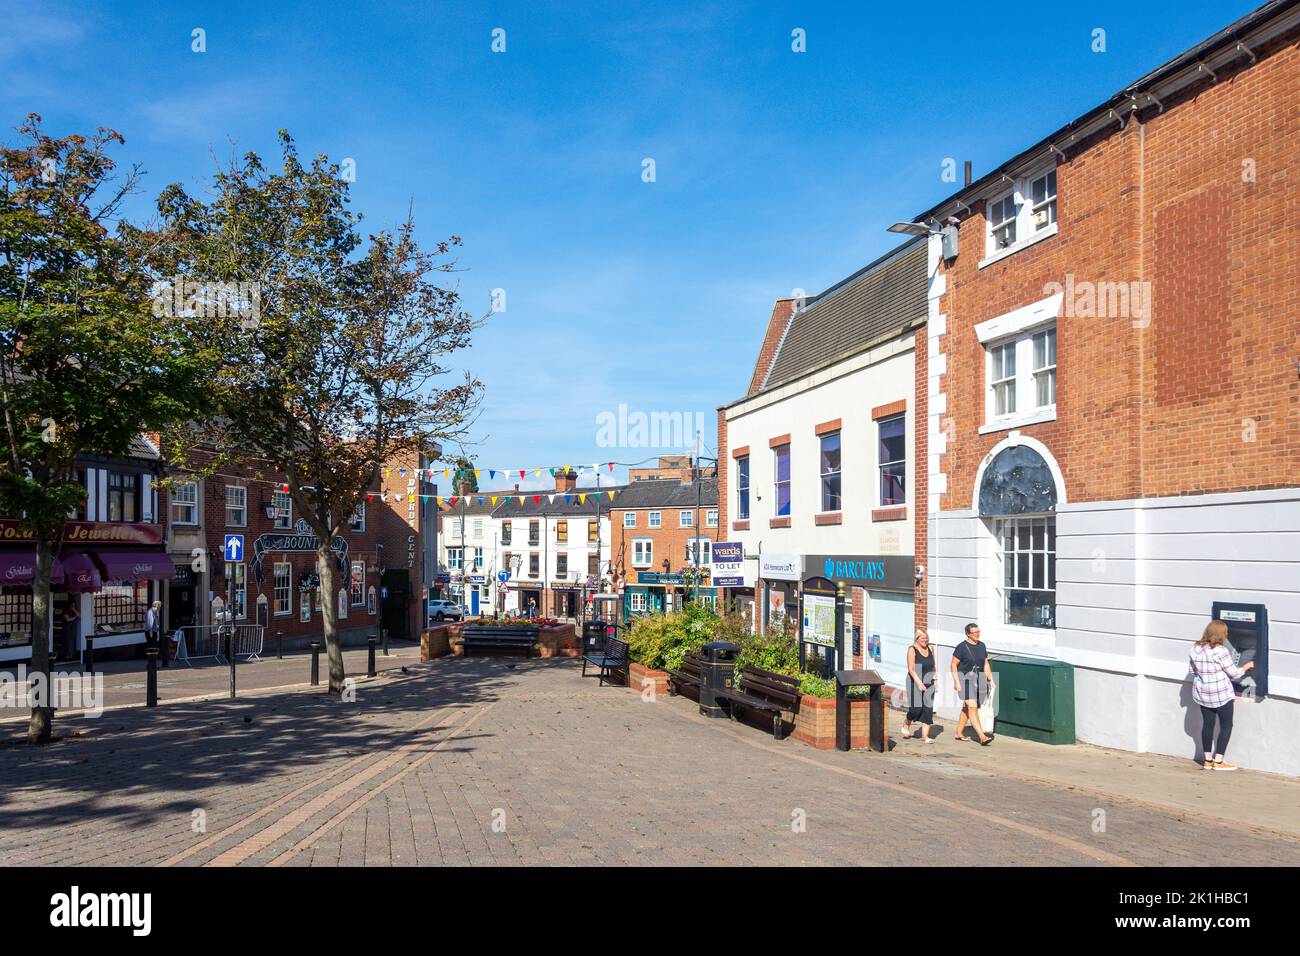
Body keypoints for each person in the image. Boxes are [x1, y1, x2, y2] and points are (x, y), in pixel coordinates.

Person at [1189, 619, 1253, 771]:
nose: (1227, 635)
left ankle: (1207, 761)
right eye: (1225, 632)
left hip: (1203, 693)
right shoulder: (1221, 651)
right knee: (1226, 726)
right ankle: (1219, 762)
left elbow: (1192, 671)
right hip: (1221, 694)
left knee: (1208, 725)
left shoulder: (1195, 648)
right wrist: (1247, 666)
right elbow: (1234, 673)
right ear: (1221, 634)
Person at [951, 622, 994, 745]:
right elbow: (953, 664)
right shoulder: (961, 647)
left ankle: (959, 732)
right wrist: (956, 681)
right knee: (972, 707)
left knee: (967, 707)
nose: (977, 634)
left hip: (978, 679)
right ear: (968, 634)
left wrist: (991, 679)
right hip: (964, 679)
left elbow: (985, 663)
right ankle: (982, 736)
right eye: (974, 632)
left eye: (978, 631)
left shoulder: (982, 646)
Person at [900, 629, 937, 743]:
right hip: (914, 681)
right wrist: (919, 683)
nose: (925, 640)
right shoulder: (912, 649)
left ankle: (924, 736)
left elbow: (933, 664)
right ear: (917, 638)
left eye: (926, 638)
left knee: (928, 709)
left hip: (928, 681)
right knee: (916, 708)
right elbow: (911, 669)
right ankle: (906, 723)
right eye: (922, 638)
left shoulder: (930, 648)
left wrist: (935, 677)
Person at [145, 600, 165, 666]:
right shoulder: (150, 612)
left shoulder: (156, 612)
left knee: (153, 647)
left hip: (154, 631)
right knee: (151, 647)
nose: (160, 607)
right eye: (159, 606)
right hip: (151, 632)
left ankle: (153, 663)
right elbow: (150, 623)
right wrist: (150, 631)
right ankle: (151, 664)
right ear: (156, 606)